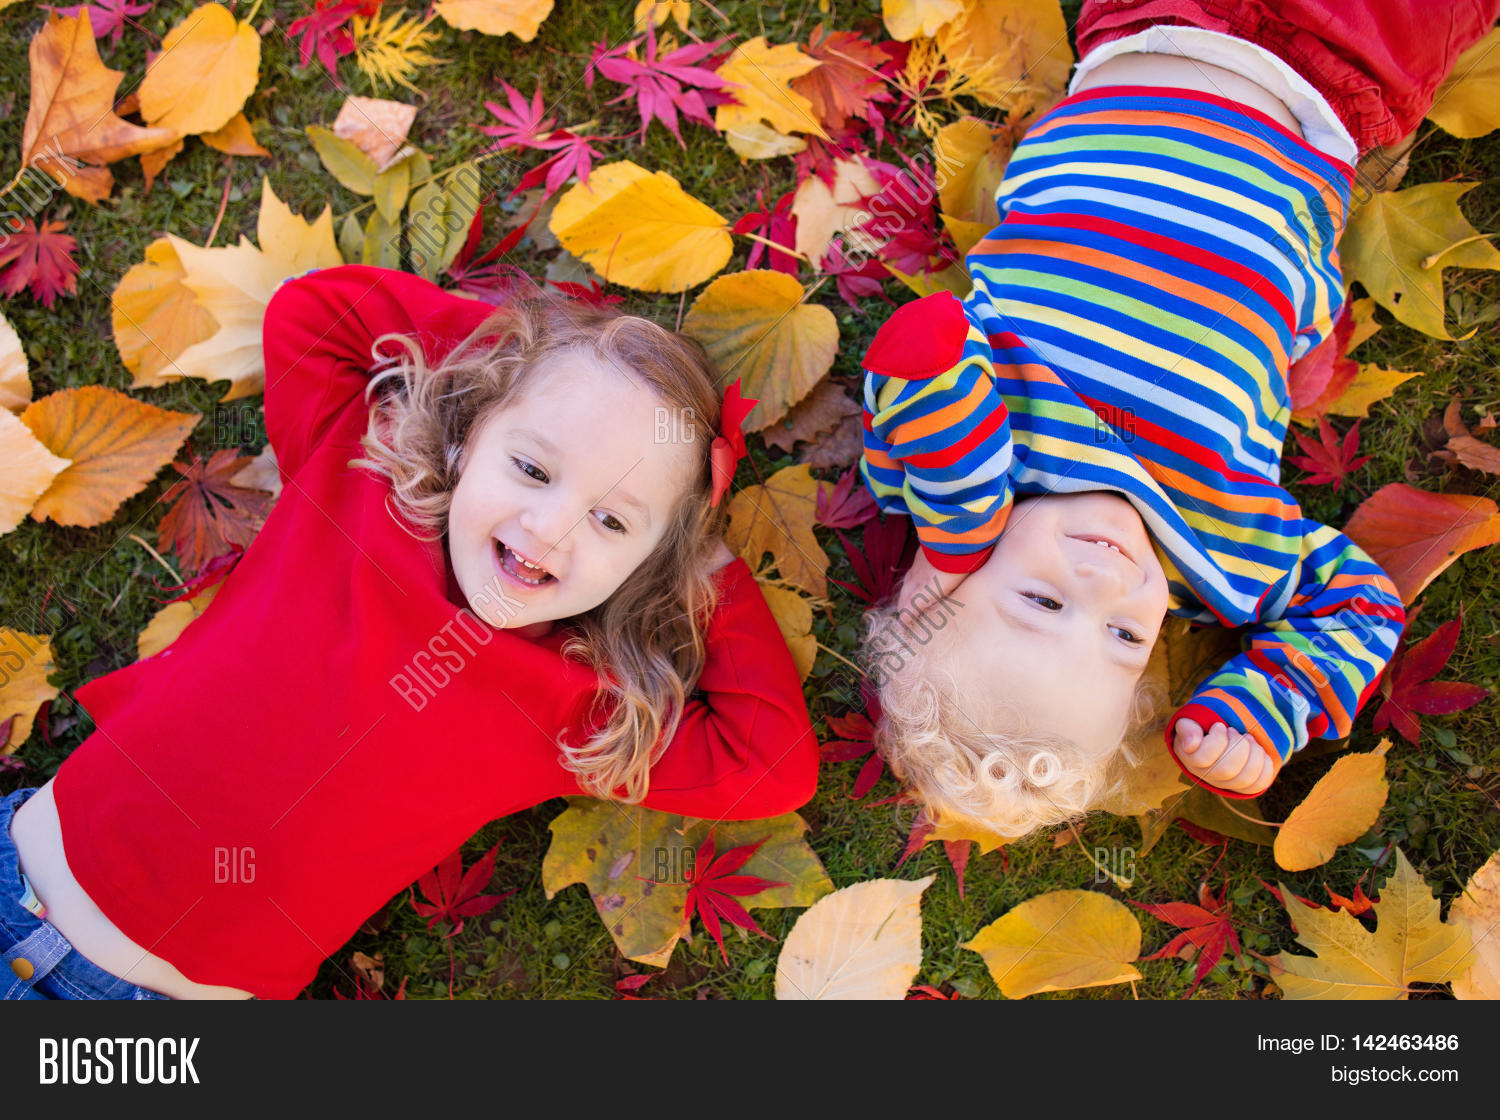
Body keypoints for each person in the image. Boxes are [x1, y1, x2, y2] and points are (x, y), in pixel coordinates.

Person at [3, 264, 818, 999]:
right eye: (532, 467)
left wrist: (706, 564)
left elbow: (772, 763)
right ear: (468, 435)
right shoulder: (354, 477)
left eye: (611, 521)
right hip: (16, 877)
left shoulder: (580, 709)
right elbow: (313, 310)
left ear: (646, 571)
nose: (550, 528)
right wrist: (529, 362)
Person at [857, 0, 1498, 839]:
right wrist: (1264, 710)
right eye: (1124, 636)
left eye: (1044, 604)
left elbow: (920, 367)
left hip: (1149, 30)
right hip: (1330, 83)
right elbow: (1357, 606)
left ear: (938, 594)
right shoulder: (1224, 557)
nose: (1106, 582)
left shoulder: (990, 453)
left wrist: (953, 525)